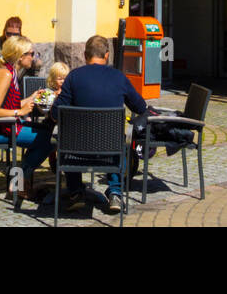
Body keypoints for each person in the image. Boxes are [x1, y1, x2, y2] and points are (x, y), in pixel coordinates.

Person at [19, 35, 146, 213]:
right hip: (109, 152)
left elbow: (55, 113)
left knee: (67, 138)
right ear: (107, 55)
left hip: (75, 153)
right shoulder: (119, 77)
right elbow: (141, 107)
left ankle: (76, 192)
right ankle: (115, 192)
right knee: (119, 138)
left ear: (85, 55)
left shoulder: (74, 77)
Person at [0, 35, 44, 146]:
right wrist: (20, 112)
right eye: (31, 54)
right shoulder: (6, 74)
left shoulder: (6, 70)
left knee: (47, 130)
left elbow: (7, 106)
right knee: (47, 139)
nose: (33, 58)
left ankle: (27, 163)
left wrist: (32, 98)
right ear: (20, 56)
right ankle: (27, 164)